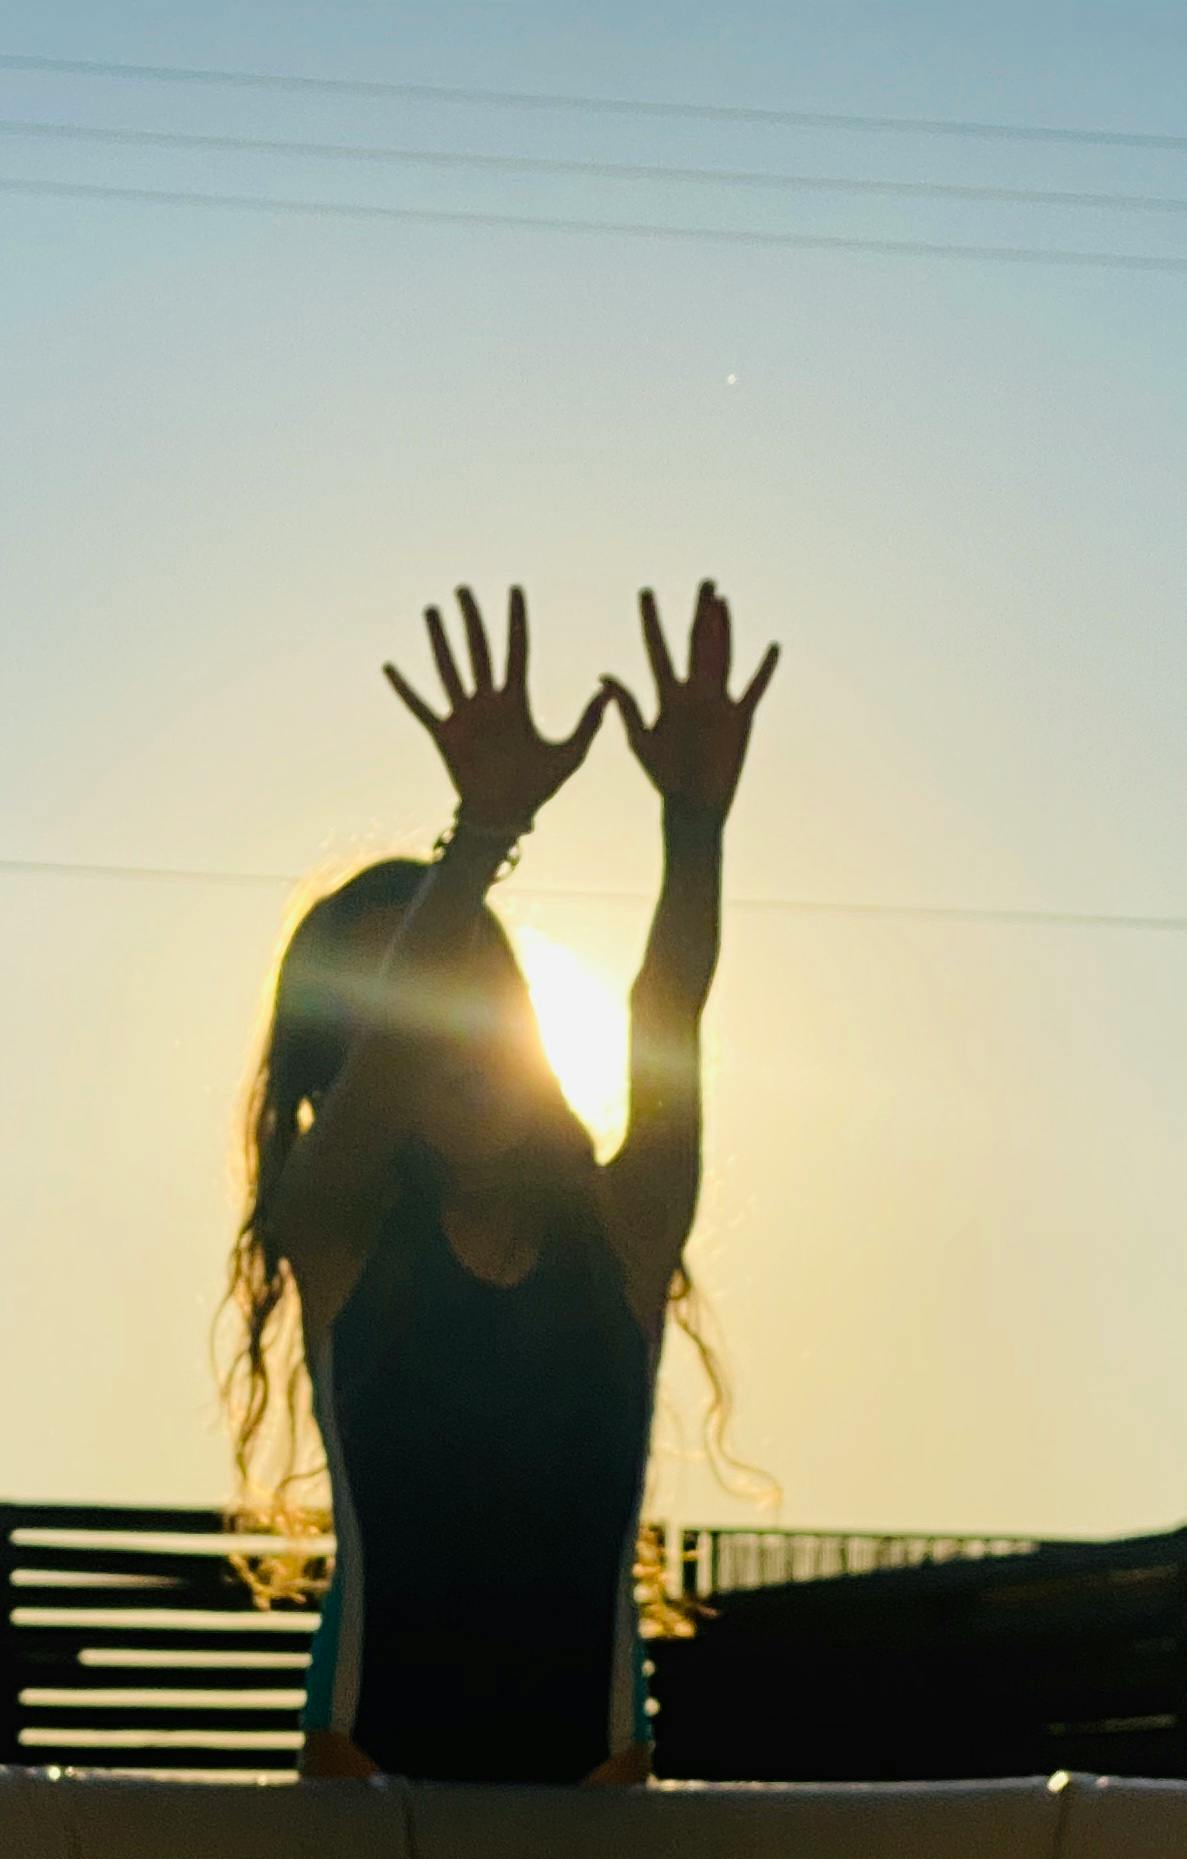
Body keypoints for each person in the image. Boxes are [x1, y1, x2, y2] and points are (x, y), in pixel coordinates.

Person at [229, 581, 778, 1787]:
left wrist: (696, 824)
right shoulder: (336, 1230)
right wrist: (477, 840)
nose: (445, 1037)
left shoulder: (626, 1230)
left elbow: (666, 1007)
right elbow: (372, 1095)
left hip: (594, 1813)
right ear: (348, 1072)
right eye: (397, 1023)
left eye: (466, 996)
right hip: (371, 1803)